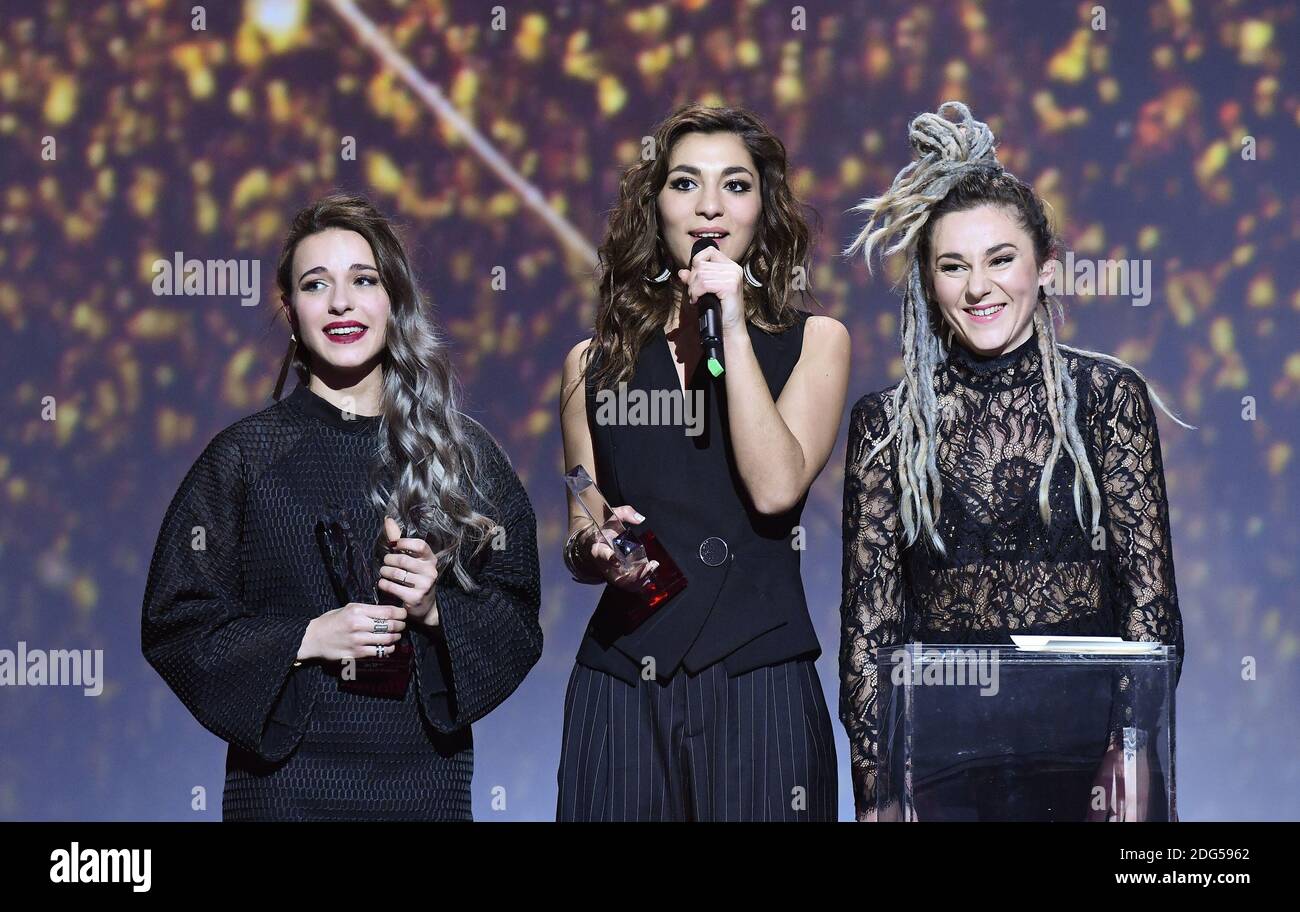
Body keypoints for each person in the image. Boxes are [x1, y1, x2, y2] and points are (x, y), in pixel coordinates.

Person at [141, 192, 542, 820]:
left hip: (423, 787)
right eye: (315, 284)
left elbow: (517, 615)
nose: (340, 303)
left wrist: (436, 611)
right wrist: (306, 637)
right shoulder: (244, 457)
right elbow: (176, 622)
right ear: (289, 310)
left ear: (394, 300)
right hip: (283, 793)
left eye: (363, 280)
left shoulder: (461, 454)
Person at [839, 102, 1188, 822]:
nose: (978, 287)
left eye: (1001, 259)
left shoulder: (1107, 398)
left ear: (1045, 268)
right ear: (928, 286)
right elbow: (871, 625)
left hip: (1087, 754)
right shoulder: (887, 423)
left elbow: (1150, 600)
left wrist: (1131, 745)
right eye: (953, 266)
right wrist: (876, 787)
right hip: (941, 763)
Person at [557, 104, 850, 821]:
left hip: (760, 677)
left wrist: (735, 323)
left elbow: (777, 489)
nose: (710, 205)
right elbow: (580, 518)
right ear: (655, 208)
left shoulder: (817, 341)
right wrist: (597, 550)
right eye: (686, 183)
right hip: (623, 681)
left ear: (763, 209)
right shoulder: (590, 365)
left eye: (736, 185)